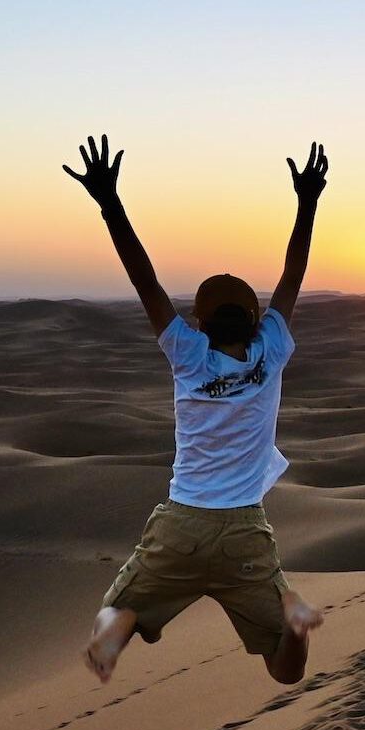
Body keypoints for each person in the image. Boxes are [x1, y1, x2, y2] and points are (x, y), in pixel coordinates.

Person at [62, 134, 329, 685]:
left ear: (200, 325)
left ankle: (118, 632)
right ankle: (291, 623)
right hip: (244, 532)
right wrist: (307, 204)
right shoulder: (271, 349)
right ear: (256, 322)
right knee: (284, 670)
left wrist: (109, 203)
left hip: (181, 523)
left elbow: (146, 281)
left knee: (117, 609)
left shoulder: (187, 354)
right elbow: (293, 275)